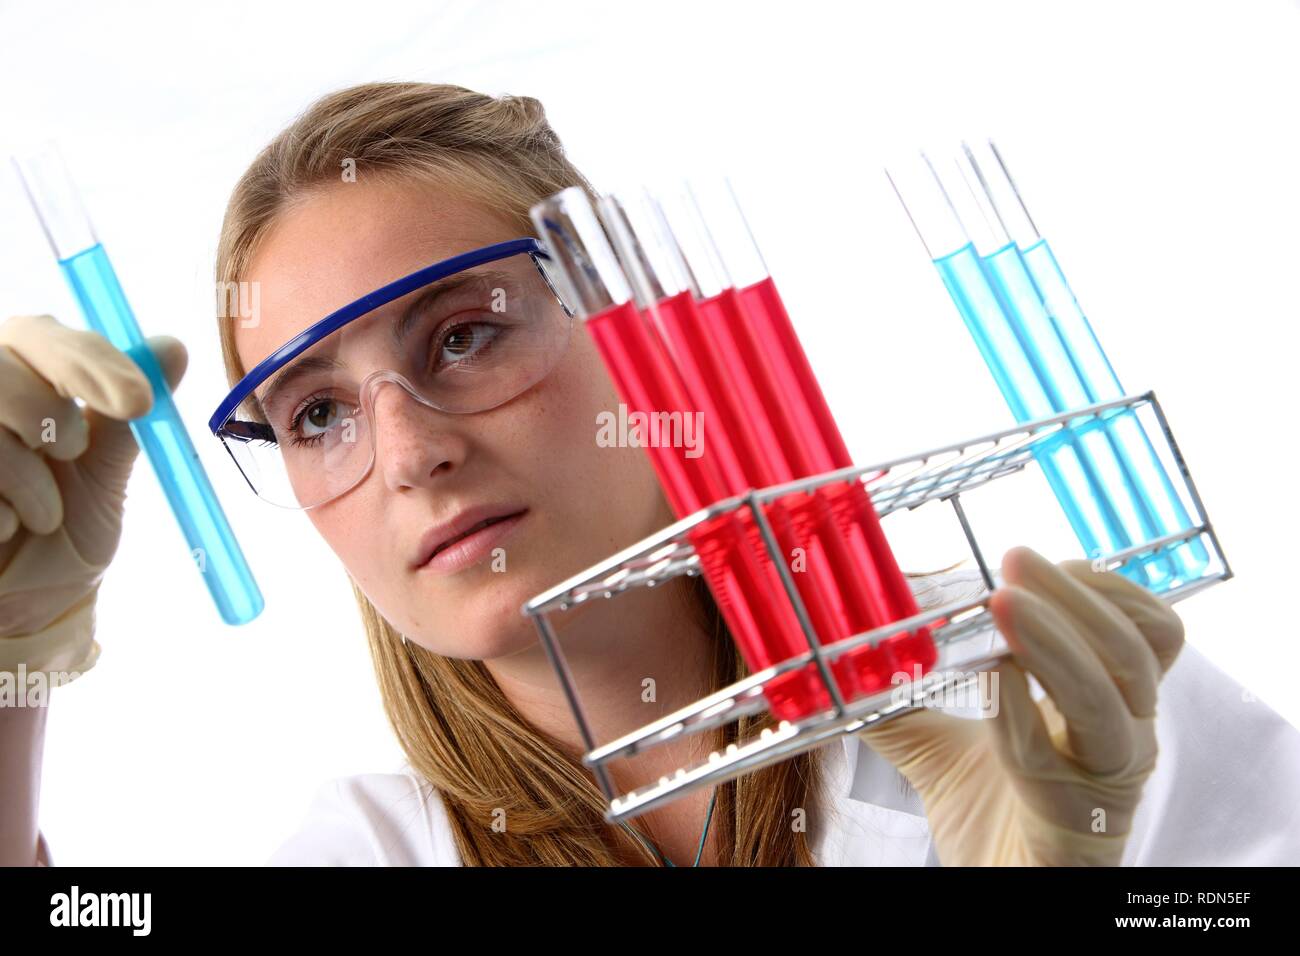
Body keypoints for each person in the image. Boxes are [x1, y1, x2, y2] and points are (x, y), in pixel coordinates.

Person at [2, 82, 1298, 867]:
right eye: (318, 413)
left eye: (465, 334)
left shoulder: (1057, 691)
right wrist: (8, 675)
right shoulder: (371, 851)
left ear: (639, 328)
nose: (410, 451)